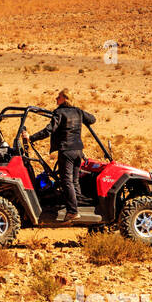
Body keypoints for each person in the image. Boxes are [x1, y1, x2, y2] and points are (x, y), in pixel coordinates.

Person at [28, 90, 95, 219]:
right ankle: (79, 206)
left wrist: (32, 138)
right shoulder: (78, 111)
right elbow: (92, 119)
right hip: (78, 151)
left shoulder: (59, 112)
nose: (56, 98)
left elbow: (49, 130)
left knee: (66, 181)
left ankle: (73, 211)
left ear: (64, 98)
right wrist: (81, 116)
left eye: (58, 97)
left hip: (66, 150)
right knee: (74, 180)